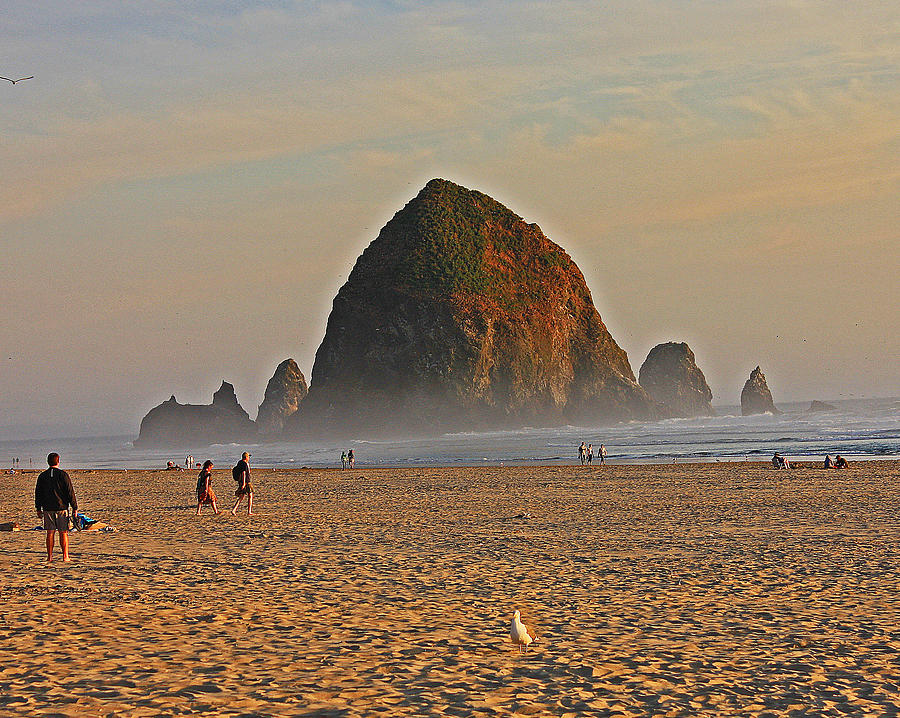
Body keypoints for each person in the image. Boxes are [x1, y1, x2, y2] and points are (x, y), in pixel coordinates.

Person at [34, 453, 77, 562]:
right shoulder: (63, 475)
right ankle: (65, 556)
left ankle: (50, 557)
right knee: (63, 532)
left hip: (48, 508)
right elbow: (70, 492)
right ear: (58, 461)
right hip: (61, 507)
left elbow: (38, 493)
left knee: (50, 533)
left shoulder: (42, 476)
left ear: (48, 462)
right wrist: (74, 507)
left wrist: (38, 508)